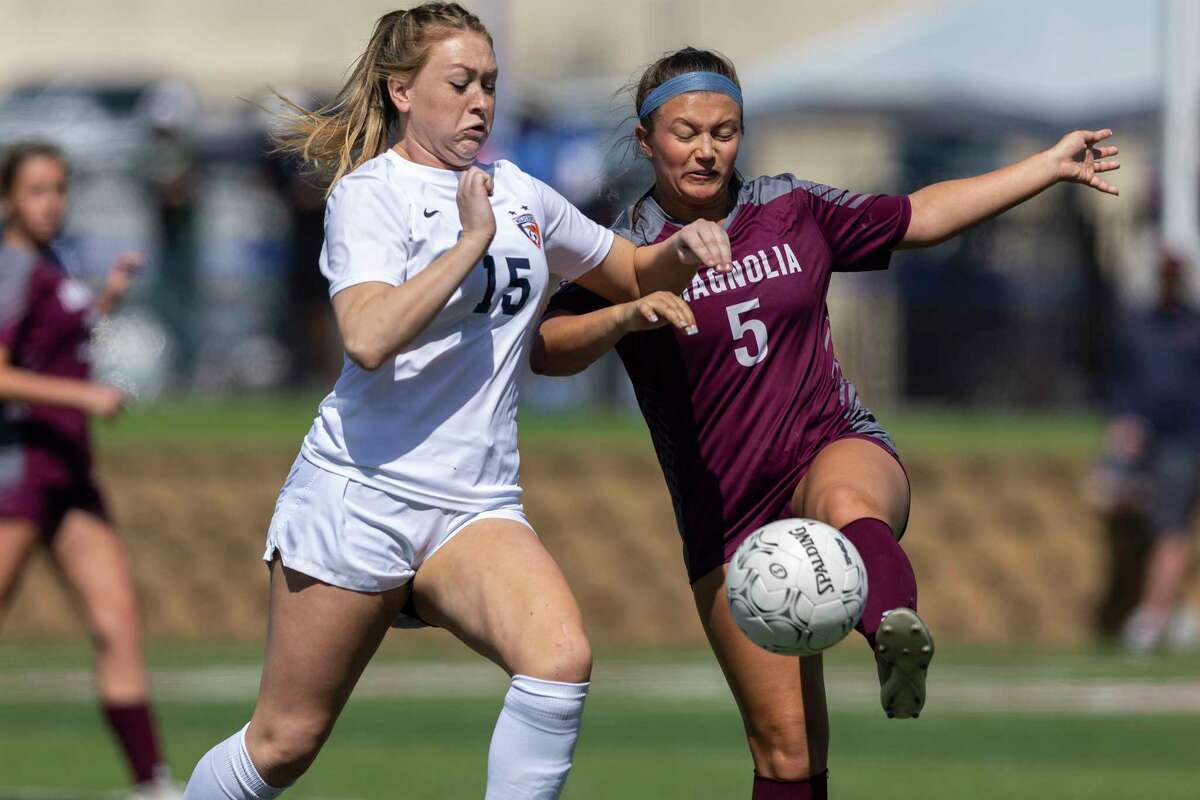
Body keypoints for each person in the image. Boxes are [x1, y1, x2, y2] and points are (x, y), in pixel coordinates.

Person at [531, 47, 1120, 799]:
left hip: (829, 442)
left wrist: (1047, 165)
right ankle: (881, 625)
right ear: (646, 141)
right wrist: (627, 312)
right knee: (786, 753)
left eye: (724, 132)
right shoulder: (621, 252)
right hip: (727, 516)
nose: (707, 149)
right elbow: (546, 348)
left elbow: (920, 216)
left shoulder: (791, 208)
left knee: (846, 502)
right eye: (686, 133)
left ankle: (892, 628)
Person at [181, 6, 730, 800]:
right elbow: (367, 337)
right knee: (284, 743)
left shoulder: (521, 194)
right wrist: (469, 243)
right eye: (461, 83)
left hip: (475, 505)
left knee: (559, 660)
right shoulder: (372, 195)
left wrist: (683, 248)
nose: (480, 102)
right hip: (361, 496)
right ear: (402, 91)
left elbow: (634, 271)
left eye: (490, 85)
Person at [0, 141, 174, 798]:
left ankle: (152, 784)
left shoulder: (53, 263)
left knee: (116, 622)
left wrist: (105, 301)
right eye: (36, 190)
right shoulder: (12, 269)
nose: (51, 203)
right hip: (19, 470)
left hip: (69, 472)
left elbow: (51, 344)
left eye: (59, 189)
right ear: (8, 199)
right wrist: (86, 396)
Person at [1101, 250, 1200, 652]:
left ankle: (1154, 616)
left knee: (1170, 526)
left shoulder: (1194, 326)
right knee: (1111, 499)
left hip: (1183, 440)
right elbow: (1119, 381)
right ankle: (1172, 608)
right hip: (1139, 439)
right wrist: (1123, 421)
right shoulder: (1138, 326)